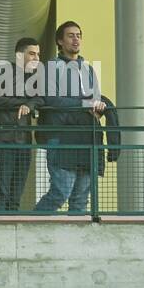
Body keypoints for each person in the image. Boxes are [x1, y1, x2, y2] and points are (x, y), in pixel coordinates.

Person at [34, 21, 106, 214]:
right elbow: (51, 100)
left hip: (87, 136)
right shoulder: (50, 68)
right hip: (60, 135)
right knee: (61, 191)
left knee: (81, 198)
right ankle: (29, 227)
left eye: (79, 35)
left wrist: (98, 108)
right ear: (60, 41)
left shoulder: (89, 70)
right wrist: (85, 104)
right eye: (70, 35)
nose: (76, 39)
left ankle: (77, 242)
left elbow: (95, 100)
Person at [0, 37, 41, 212]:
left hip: (23, 142)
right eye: (32, 54)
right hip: (1, 139)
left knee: (15, 196)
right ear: (19, 55)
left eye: (38, 54)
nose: (36, 58)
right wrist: (18, 103)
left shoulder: (34, 78)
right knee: (1, 193)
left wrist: (29, 104)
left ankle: (12, 233)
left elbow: (40, 98)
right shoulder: (0, 71)